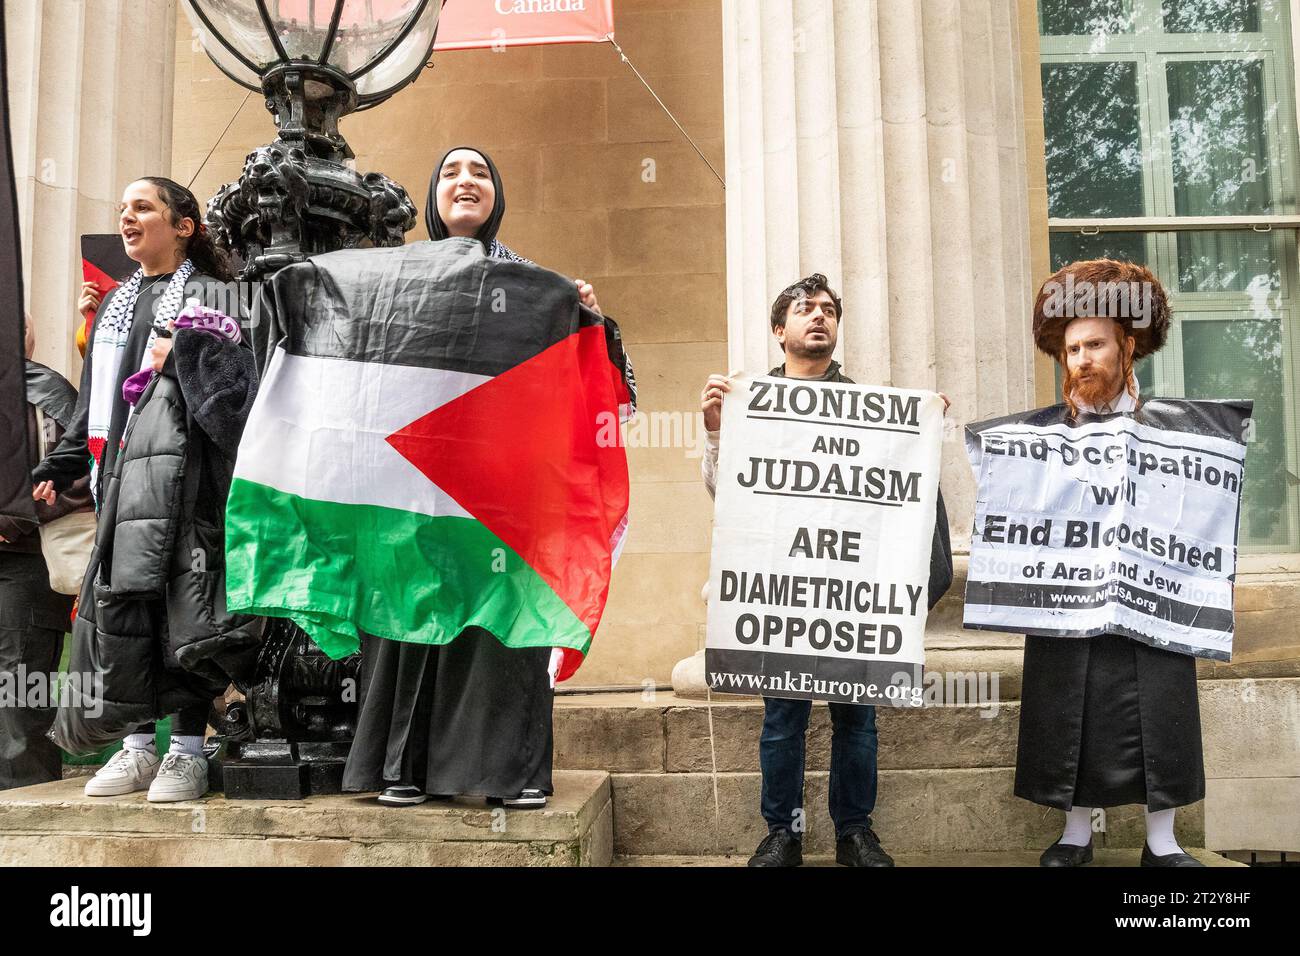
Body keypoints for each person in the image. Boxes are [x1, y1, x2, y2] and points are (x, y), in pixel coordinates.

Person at [343, 146, 634, 810]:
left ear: (497, 196)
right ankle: (403, 769)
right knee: (411, 622)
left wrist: (590, 322)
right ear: (433, 196)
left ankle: (509, 772)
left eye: (480, 173)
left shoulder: (537, 286)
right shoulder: (396, 280)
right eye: (451, 172)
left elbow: (603, 393)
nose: (465, 182)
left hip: (501, 498)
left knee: (501, 629)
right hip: (411, 491)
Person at [700, 273, 954, 867]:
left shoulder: (869, 410)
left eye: (828, 310)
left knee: (857, 721)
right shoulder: (750, 406)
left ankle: (854, 834)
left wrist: (920, 430)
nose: (818, 317)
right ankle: (782, 834)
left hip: (851, 596)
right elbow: (726, 494)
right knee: (782, 721)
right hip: (785, 595)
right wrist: (716, 432)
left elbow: (900, 501)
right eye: (803, 308)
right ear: (778, 329)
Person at [31, 177, 259, 802]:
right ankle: (136, 747)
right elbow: (94, 403)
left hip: (188, 479)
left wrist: (182, 353)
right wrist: (60, 465)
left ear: (184, 225)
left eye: (143, 208)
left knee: (183, 612)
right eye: (122, 208)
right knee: (124, 612)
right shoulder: (113, 305)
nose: (127, 218)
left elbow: (240, 396)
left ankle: (185, 752)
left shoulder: (219, 293)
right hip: (117, 480)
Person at [1021, 258, 1204, 867]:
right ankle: (1076, 836)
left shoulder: (1178, 436)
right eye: (1072, 349)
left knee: (1161, 701)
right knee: (1067, 697)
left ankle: (1162, 843)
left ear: (1127, 347)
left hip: (1150, 595)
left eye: (1095, 344)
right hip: (1069, 599)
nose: (1081, 360)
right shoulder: (1041, 438)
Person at [0, 319, 93, 790]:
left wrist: (8, 520)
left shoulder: (45, 390)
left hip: (24, 560)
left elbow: (78, 476)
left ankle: (19, 806)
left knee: (16, 690)